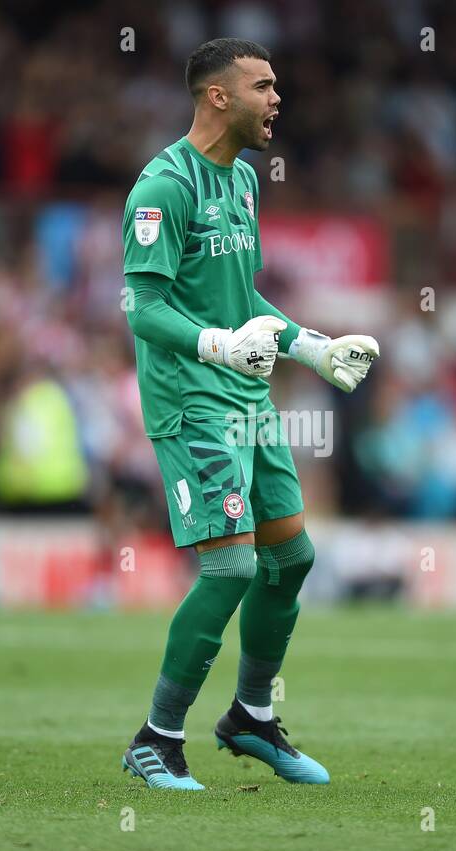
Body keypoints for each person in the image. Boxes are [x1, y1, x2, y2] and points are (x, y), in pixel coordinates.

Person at [119, 38, 380, 789]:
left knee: (292, 558)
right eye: (263, 86)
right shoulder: (162, 186)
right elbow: (143, 305)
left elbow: (241, 303)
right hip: (191, 402)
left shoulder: (241, 181)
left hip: (248, 401)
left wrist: (314, 348)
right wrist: (213, 345)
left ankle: (251, 718)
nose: (277, 99)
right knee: (230, 564)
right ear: (218, 96)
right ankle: (155, 739)